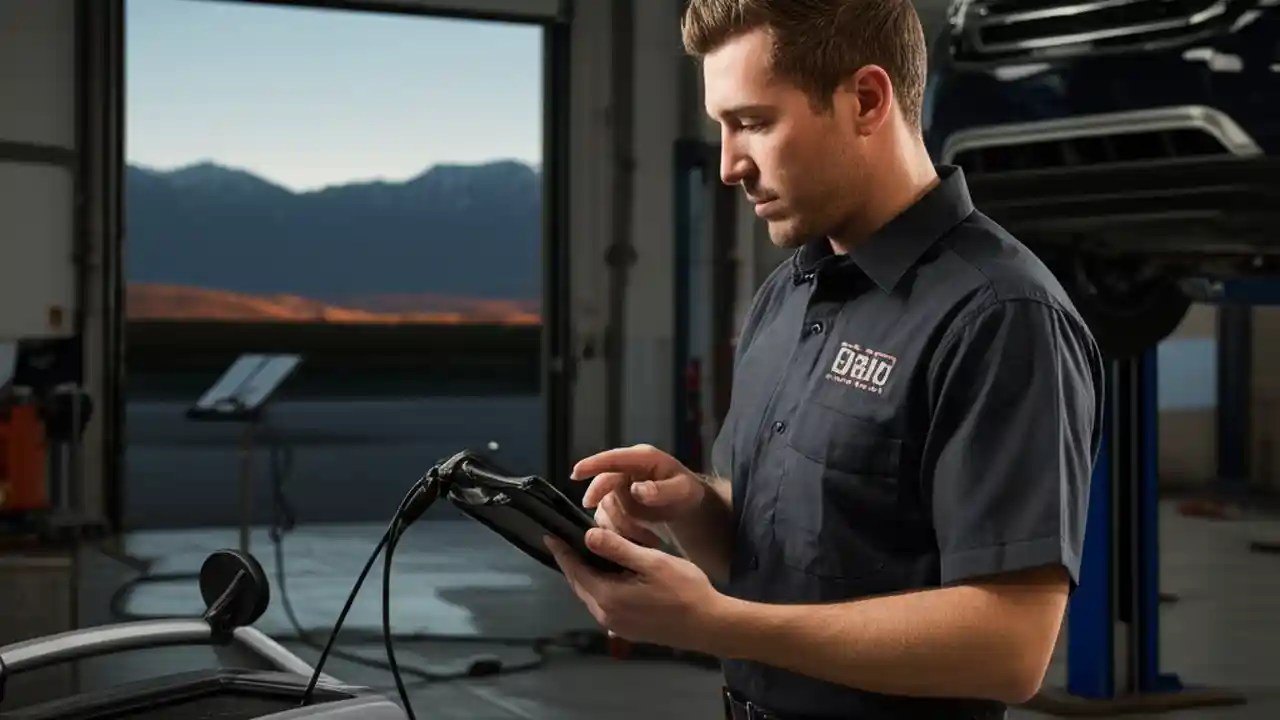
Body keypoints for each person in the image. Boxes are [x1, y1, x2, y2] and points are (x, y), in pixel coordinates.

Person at [542, 0, 1105, 717]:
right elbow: (784, 552)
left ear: (866, 100)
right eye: (722, 127)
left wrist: (716, 624)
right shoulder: (787, 296)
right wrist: (692, 506)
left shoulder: (1000, 316)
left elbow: (1010, 646)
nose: (728, 165)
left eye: (753, 122)